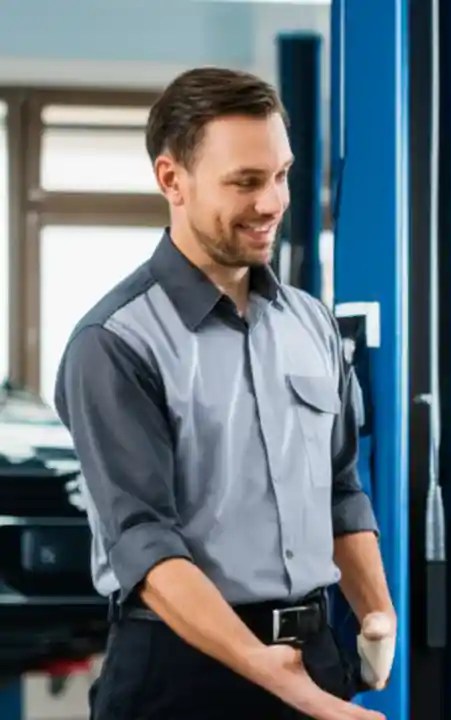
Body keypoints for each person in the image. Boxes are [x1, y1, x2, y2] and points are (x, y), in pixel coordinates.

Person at [54, 68, 395, 720]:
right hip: (181, 677)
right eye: (245, 182)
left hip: (314, 655)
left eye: (281, 175)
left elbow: (341, 490)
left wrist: (377, 612)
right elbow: (145, 545)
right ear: (171, 179)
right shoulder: (116, 342)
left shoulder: (312, 324)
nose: (272, 202)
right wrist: (284, 683)